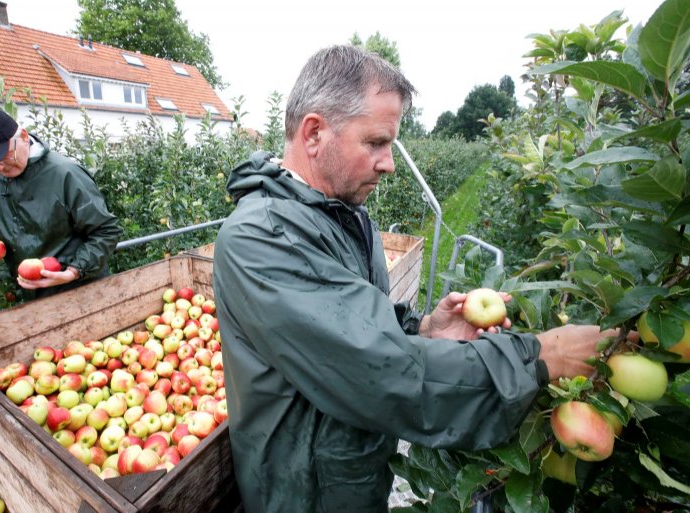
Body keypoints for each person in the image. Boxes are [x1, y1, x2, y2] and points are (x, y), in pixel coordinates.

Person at [212, 45, 625, 513]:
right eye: (375, 142)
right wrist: (539, 357)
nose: (388, 162)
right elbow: (375, 370)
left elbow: (352, 315)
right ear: (313, 133)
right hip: (299, 491)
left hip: (349, 474)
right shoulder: (262, 238)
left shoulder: (346, 217)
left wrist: (422, 329)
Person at [0, 103, 122, 298]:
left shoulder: (65, 174)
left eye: (6, 155)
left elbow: (106, 231)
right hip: (29, 293)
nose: (1, 167)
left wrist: (72, 272)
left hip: (80, 291)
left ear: (24, 137)